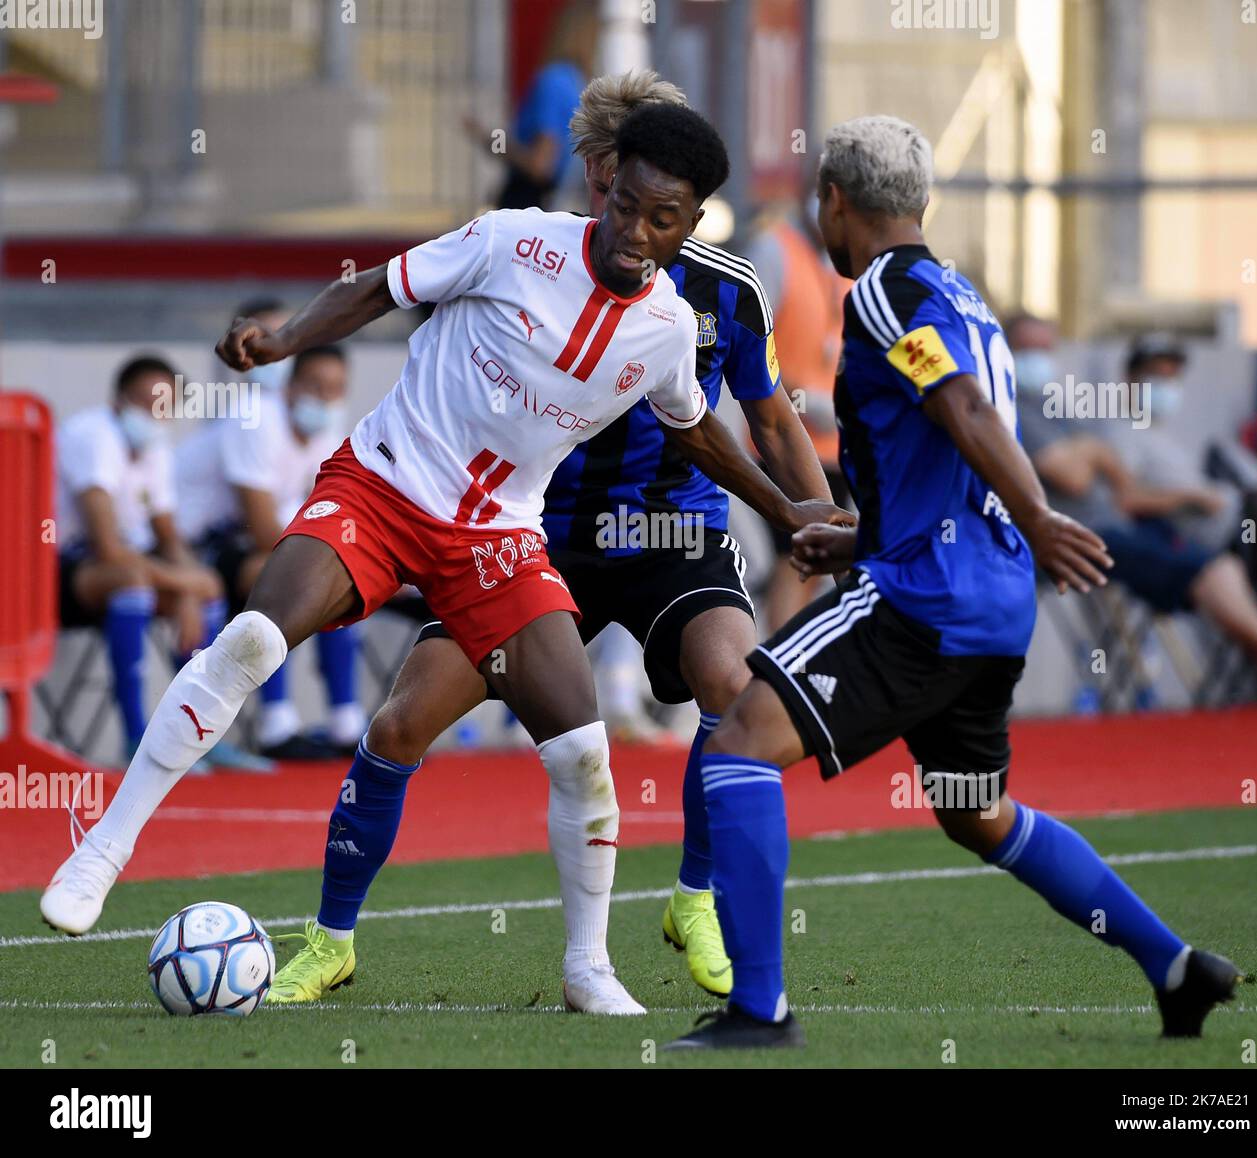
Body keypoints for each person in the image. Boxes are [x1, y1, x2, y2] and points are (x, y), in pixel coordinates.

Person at [39, 103, 849, 1016]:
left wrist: (787, 509)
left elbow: (697, 428)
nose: (634, 230)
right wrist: (286, 338)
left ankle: (588, 969)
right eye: (624, 204)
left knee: (583, 750)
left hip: (500, 540)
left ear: (690, 223)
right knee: (256, 641)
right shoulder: (513, 242)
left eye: (661, 218)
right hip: (383, 487)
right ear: (607, 187)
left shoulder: (667, 324)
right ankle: (105, 847)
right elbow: (381, 286)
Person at [665, 116, 1241, 1051]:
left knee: (735, 745)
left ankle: (758, 1010)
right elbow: (946, 463)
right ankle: (1175, 967)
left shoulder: (887, 289)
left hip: (924, 600)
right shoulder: (966, 298)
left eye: (822, 201)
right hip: (987, 602)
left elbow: (959, 408)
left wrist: (1042, 511)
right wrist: (857, 539)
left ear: (837, 201)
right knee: (977, 813)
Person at [266, 70, 837, 1007]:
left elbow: (772, 422)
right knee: (403, 720)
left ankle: (692, 895)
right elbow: (417, 323)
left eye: (654, 193)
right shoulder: (520, 249)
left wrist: (812, 522)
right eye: (609, 175)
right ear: (596, 172)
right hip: (530, 535)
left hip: (669, 533)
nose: (623, 204)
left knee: (736, 685)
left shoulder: (724, 293)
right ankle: (330, 939)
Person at [1011, 318, 1257, 712]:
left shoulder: (1059, 412)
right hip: (1095, 537)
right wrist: (1097, 455)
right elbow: (1085, 480)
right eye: (1027, 350)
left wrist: (1092, 454)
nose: (1039, 360)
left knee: (1224, 564)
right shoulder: (1015, 412)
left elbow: (1098, 470)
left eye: (1046, 349)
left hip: (1128, 530)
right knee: (1214, 567)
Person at [176, 345, 366, 759]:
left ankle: (345, 722)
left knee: (343, 571)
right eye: (315, 386)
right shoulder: (256, 417)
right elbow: (263, 529)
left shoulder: (328, 435)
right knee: (287, 572)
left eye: (336, 389)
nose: (326, 398)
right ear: (291, 385)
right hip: (189, 547)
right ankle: (276, 724)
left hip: (245, 545)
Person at [54, 356, 232, 765]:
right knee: (134, 580)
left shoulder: (156, 449)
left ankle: (199, 735)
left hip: (116, 570)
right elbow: (108, 549)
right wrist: (184, 583)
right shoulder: (93, 436)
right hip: (52, 571)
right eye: (143, 401)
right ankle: (136, 737)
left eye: (163, 406)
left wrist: (191, 583)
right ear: (118, 399)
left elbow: (168, 537)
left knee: (205, 586)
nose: (153, 414)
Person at [746, 185, 856, 631]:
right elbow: (751, 345)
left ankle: (791, 669)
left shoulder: (841, 263)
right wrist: (799, 397)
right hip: (783, 442)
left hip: (833, 450)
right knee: (794, 560)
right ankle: (780, 670)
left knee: (816, 564)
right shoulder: (775, 248)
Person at [465, 1, 595, 210]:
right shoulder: (579, 84)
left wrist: (490, 140)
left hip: (525, 201)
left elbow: (540, 164)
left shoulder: (554, 79)